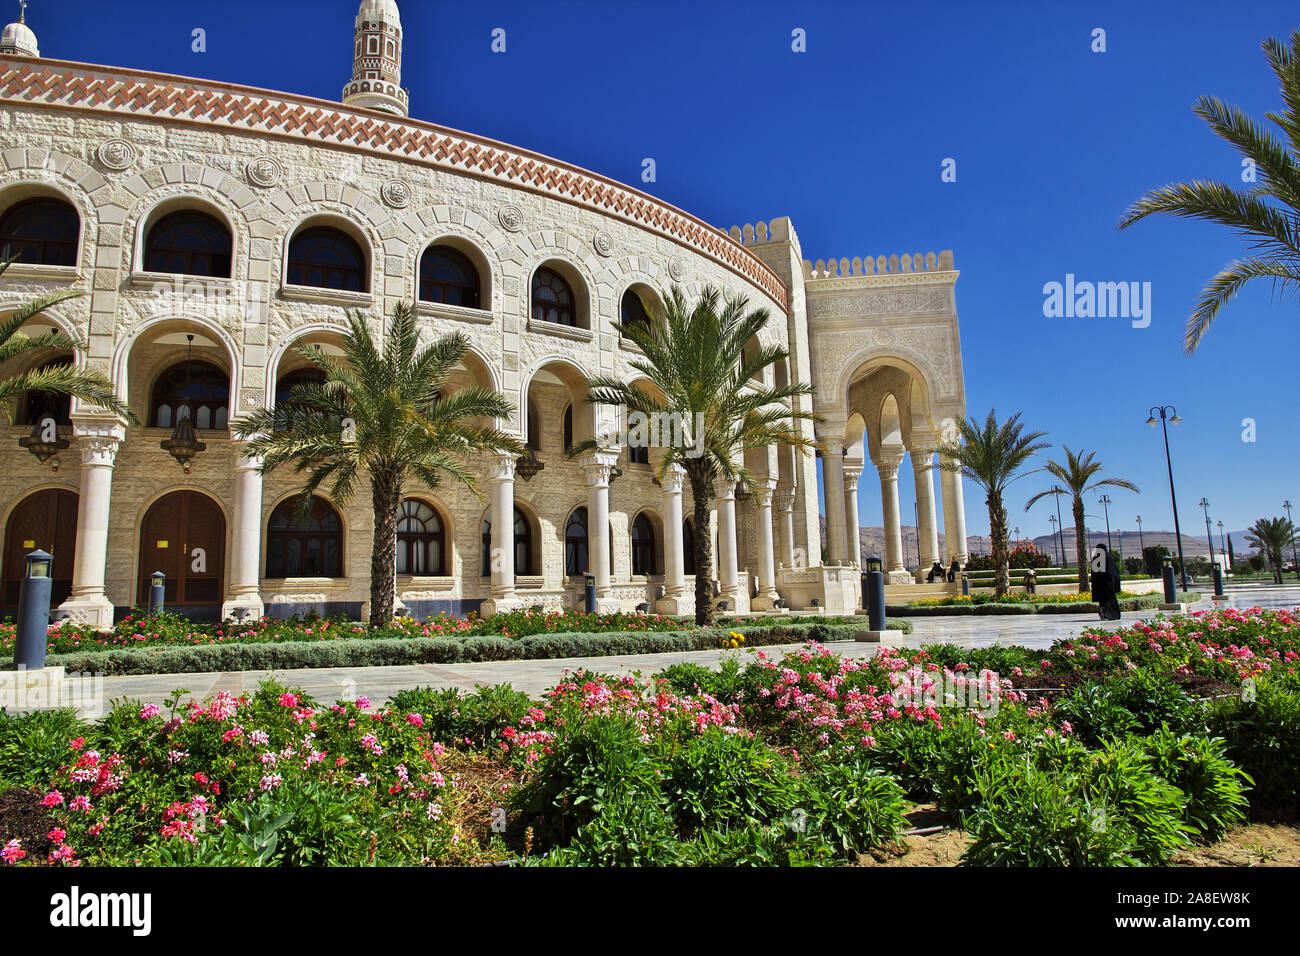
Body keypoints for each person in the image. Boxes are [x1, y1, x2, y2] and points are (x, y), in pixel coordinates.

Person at [1090, 543, 1122, 620]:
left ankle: (1105, 613)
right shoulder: (1109, 558)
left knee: (1103, 601)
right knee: (1111, 601)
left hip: (1100, 586)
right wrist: (1115, 584)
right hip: (1108, 584)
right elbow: (1113, 573)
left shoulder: (1096, 559)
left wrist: (1095, 587)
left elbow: (1094, 575)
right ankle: (1111, 615)